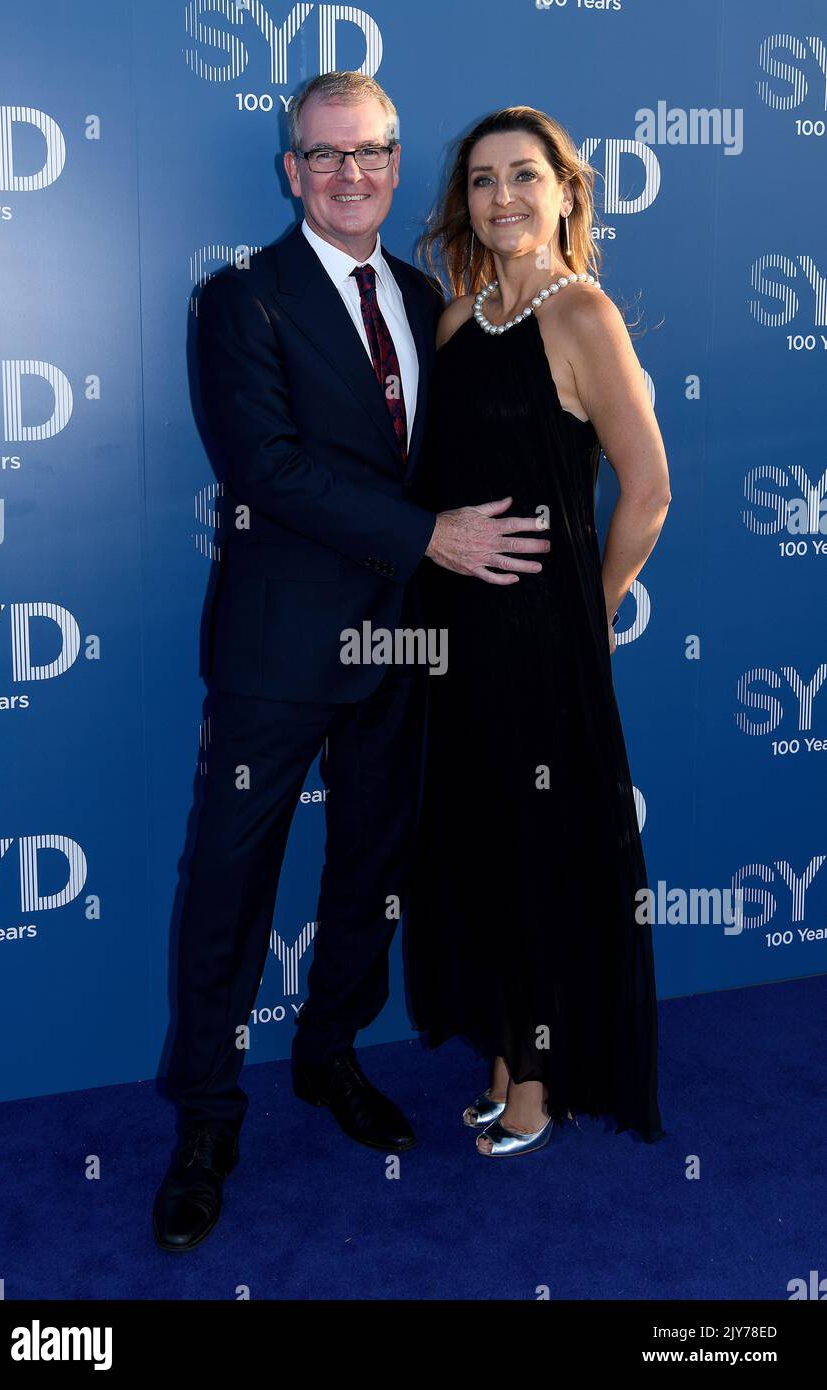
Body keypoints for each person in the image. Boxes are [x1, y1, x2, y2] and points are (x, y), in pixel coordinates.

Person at [153, 75, 550, 1250]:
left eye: (369, 154)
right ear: (290, 170)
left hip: (405, 645)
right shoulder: (240, 300)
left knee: (371, 868)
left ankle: (328, 1058)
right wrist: (429, 536)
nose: (347, 175)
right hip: (279, 649)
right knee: (230, 887)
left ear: (392, 161)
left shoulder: (430, 295)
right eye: (322, 157)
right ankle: (206, 1121)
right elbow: (265, 467)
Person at [406, 106, 671, 1158]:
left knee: (540, 853)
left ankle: (543, 1082)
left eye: (523, 175)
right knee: (477, 846)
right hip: (454, 635)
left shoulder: (582, 314)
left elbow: (646, 491)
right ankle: (506, 1055)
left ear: (566, 190)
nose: (500, 196)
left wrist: (589, 613)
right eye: (480, 179)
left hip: (540, 642)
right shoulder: (455, 321)